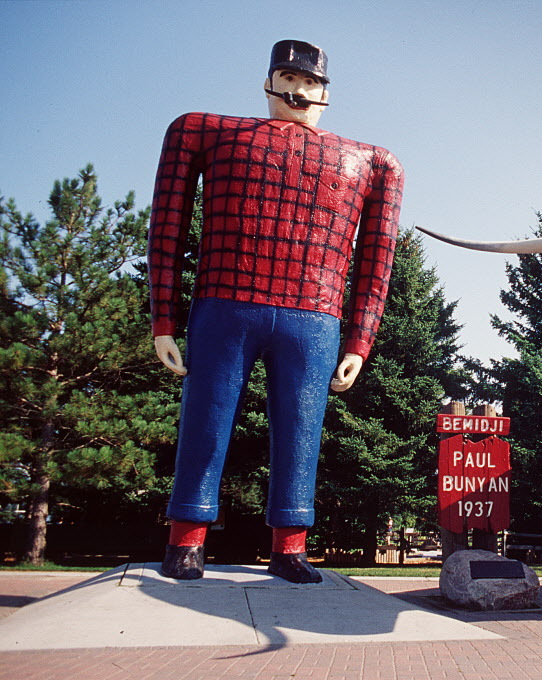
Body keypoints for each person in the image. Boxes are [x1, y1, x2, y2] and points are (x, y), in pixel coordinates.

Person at [148, 39, 403, 583]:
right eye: (289, 77)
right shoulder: (203, 131)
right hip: (225, 300)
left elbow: (377, 260)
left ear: (325, 92)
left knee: (302, 427)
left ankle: (290, 546)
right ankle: (186, 539)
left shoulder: (372, 162)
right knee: (206, 420)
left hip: (313, 313)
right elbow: (166, 226)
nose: (299, 90)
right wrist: (162, 320)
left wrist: (361, 341)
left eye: (311, 82)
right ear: (268, 82)